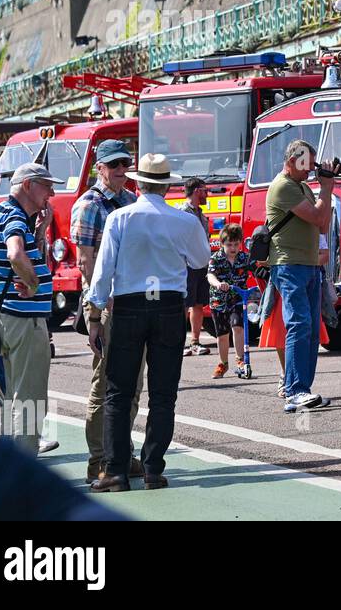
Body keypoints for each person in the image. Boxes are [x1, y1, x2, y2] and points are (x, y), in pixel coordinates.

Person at [87, 155, 210, 492]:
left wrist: (95, 317)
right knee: (163, 394)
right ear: (167, 186)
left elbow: (102, 274)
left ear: (137, 184)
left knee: (118, 393)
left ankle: (114, 470)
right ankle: (153, 467)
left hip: (128, 307)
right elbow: (201, 260)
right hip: (169, 306)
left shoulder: (119, 218)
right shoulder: (184, 221)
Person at [71, 138, 143, 482]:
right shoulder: (89, 205)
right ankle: (99, 458)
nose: (120, 171)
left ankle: (122, 453)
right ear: (99, 168)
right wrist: (98, 306)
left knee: (132, 384)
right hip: (107, 302)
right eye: (113, 165)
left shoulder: (131, 201)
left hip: (131, 301)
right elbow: (84, 261)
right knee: (105, 385)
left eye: (124, 164)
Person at [0, 164, 59, 456]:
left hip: (8, 317)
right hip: (24, 318)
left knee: (17, 397)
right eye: (46, 185)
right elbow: (15, 253)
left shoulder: (0, 214)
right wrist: (34, 284)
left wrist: (39, 232)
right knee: (30, 400)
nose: (51, 192)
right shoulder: (14, 216)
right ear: (28, 185)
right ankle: (25, 478)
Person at [266, 140, 336, 412]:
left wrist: (324, 191)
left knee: (309, 330)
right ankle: (294, 390)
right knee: (298, 324)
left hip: (308, 265)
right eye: (308, 164)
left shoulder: (304, 187)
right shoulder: (283, 186)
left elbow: (323, 224)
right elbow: (319, 218)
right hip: (289, 265)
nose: (312, 170)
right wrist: (327, 188)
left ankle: (303, 389)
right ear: (293, 160)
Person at [206, 224, 253, 379]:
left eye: (236, 244)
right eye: (229, 245)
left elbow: (258, 268)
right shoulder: (216, 258)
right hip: (218, 301)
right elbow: (210, 276)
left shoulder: (244, 257)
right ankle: (223, 363)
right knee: (222, 334)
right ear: (222, 244)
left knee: (238, 327)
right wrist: (218, 284)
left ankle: (240, 361)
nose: (233, 248)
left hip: (238, 299)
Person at [180, 177, 213, 356]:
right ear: (196, 191)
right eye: (205, 190)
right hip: (187, 265)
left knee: (199, 303)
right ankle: (179, 342)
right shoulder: (182, 212)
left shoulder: (201, 213)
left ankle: (195, 342)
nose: (207, 193)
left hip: (202, 265)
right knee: (185, 304)